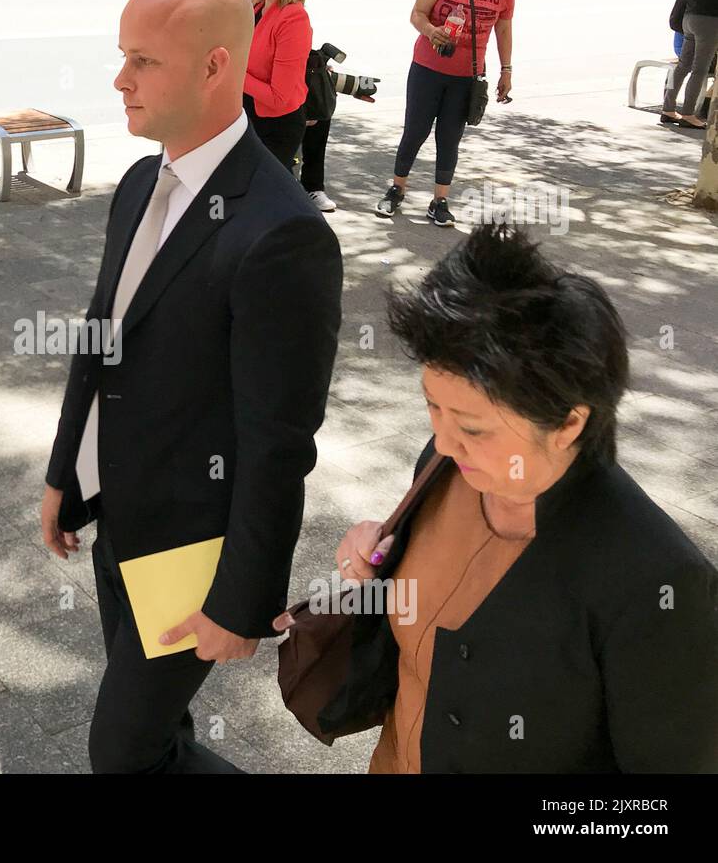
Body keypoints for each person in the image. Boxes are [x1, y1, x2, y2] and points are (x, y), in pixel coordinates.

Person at [40, 0, 342, 773]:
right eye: (122, 56)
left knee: (121, 751)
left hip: (191, 554)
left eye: (144, 61)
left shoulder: (284, 234)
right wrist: (64, 473)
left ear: (215, 67)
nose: (119, 79)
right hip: (117, 522)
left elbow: (279, 443)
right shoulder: (141, 182)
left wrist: (242, 602)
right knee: (158, 743)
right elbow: (101, 336)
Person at [274, 224, 718, 773]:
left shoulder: (657, 581)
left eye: (472, 427)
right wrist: (370, 573)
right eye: (432, 406)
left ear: (567, 423)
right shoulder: (444, 469)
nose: (442, 440)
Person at [374, 0, 514, 227]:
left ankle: (439, 200)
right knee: (415, 131)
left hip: (467, 75)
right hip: (428, 67)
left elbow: (503, 30)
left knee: (449, 138)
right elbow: (417, 14)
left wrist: (506, 70)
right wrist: (430, 30)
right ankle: (397, 189)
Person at [243, 0, 312, 176]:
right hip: (249, 119)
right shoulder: (256, 7)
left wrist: (234, 73)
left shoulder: (293, 19)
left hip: (275, 129)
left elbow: (279, 96)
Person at [662, 0, 718, 129]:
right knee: (700, 69)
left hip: (690, 16)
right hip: (709, 20)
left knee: (683, 65)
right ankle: (688, 114)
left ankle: (668, 109)